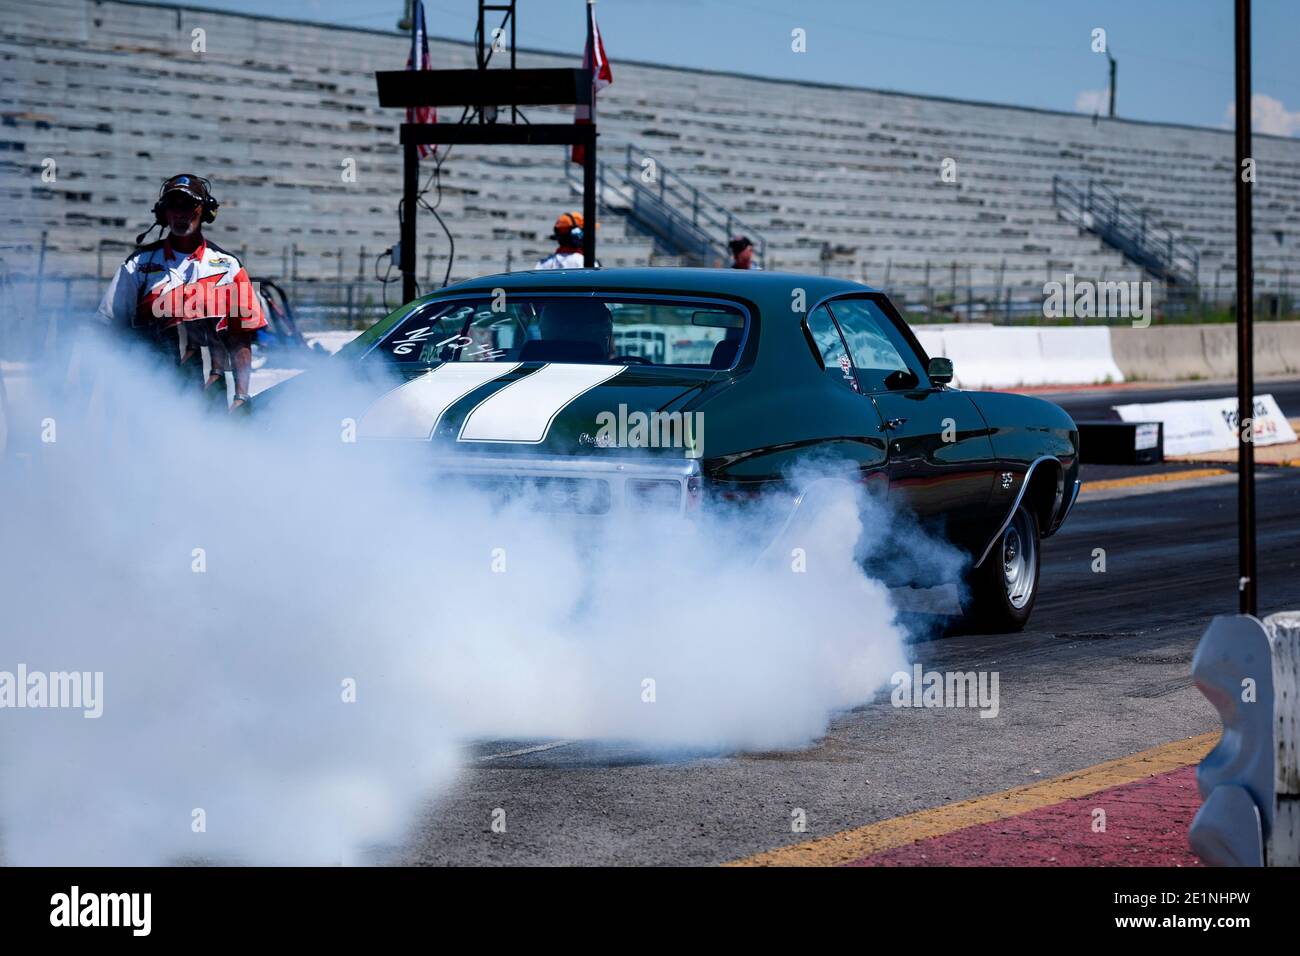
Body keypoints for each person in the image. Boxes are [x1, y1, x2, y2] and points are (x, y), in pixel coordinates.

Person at [97, 174, 266, 411]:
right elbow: (108, 329)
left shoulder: (229, 266)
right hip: (148, 395)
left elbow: (241, 339)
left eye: (188, 204)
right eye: (173, 205)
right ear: (162, 213)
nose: (180, 212)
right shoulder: (137, 265)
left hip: (212, 397)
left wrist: (241, 396)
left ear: (206, 211)